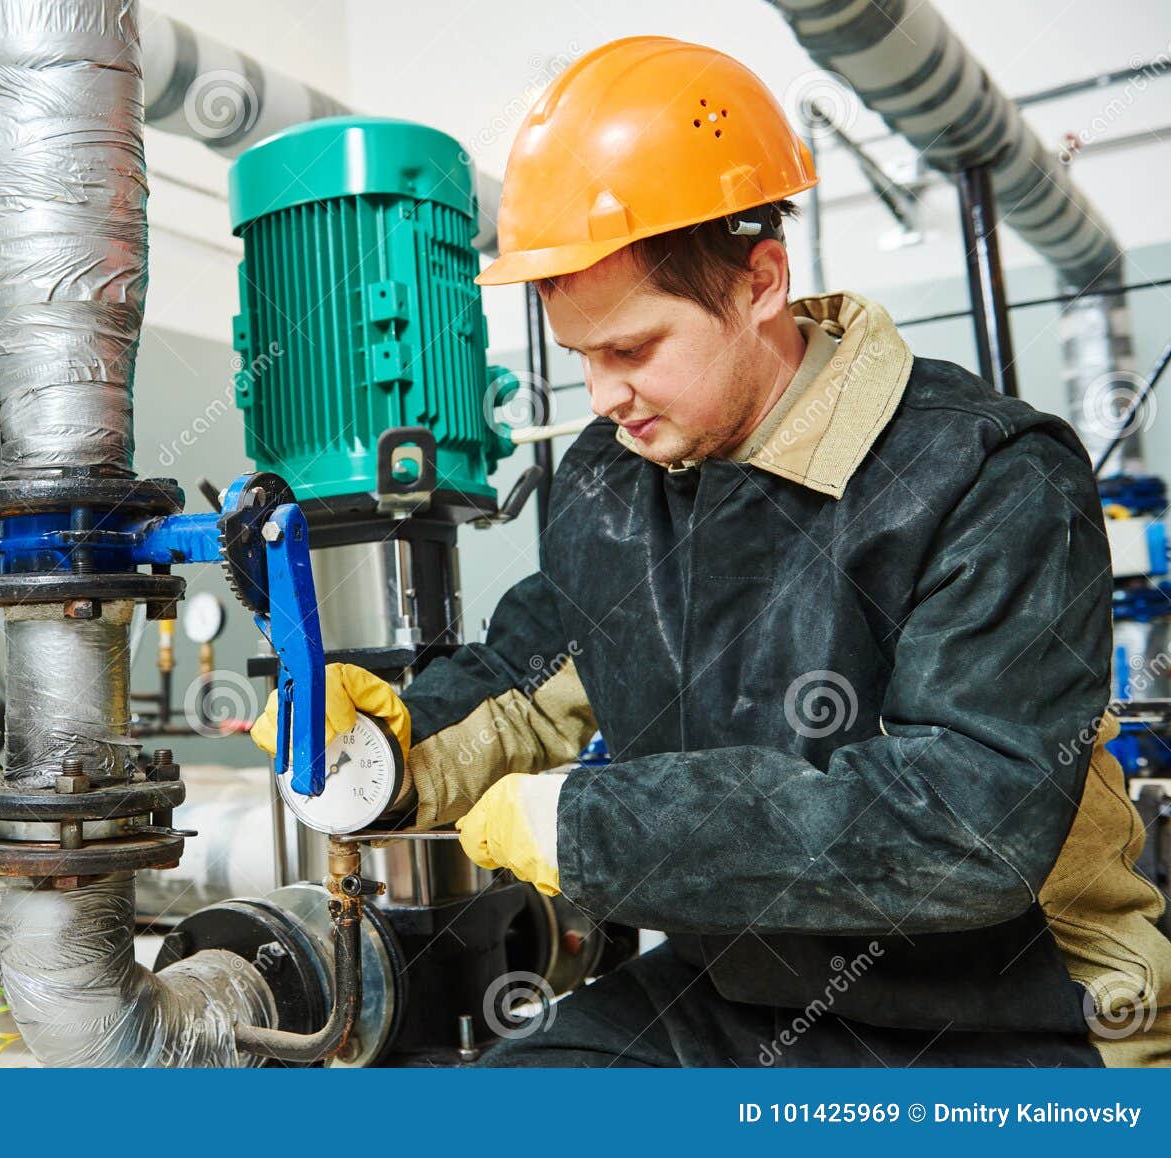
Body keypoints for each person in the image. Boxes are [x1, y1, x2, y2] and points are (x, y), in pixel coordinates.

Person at [253, 37, 1171, 1067]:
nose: (603, 397)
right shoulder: (611, 480)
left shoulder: (988, 475)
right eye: (581, 357)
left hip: (1009, 1013)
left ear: (759, 282)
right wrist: (385, 752)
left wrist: (592, 830)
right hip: (736, 985)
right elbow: (531, 681)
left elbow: (966, 823)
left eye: (632, 349)